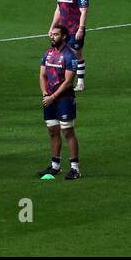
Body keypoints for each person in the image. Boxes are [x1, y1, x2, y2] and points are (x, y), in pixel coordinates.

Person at [39, 24, 81, 180]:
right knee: (52, 131)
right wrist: (45, 94)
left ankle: (75, 168)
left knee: (68, 131)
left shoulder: (70, 56)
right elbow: (42, 75)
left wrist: (53, 97)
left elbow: (69, 82)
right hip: (49, 98)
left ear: (63, 36)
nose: (52, 37)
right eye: (52, 34)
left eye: (56, 34)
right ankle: (55, 166)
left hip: (64, 99)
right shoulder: (48, 53)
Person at [49, 0, 89, 92]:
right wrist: (52, 27)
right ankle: (65, 81)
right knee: (63, 54)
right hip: (63, 30)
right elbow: (58, 10)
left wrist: (81, 29)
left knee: (75, 55)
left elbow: (84, 12)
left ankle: (79, 82)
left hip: (75, 29)